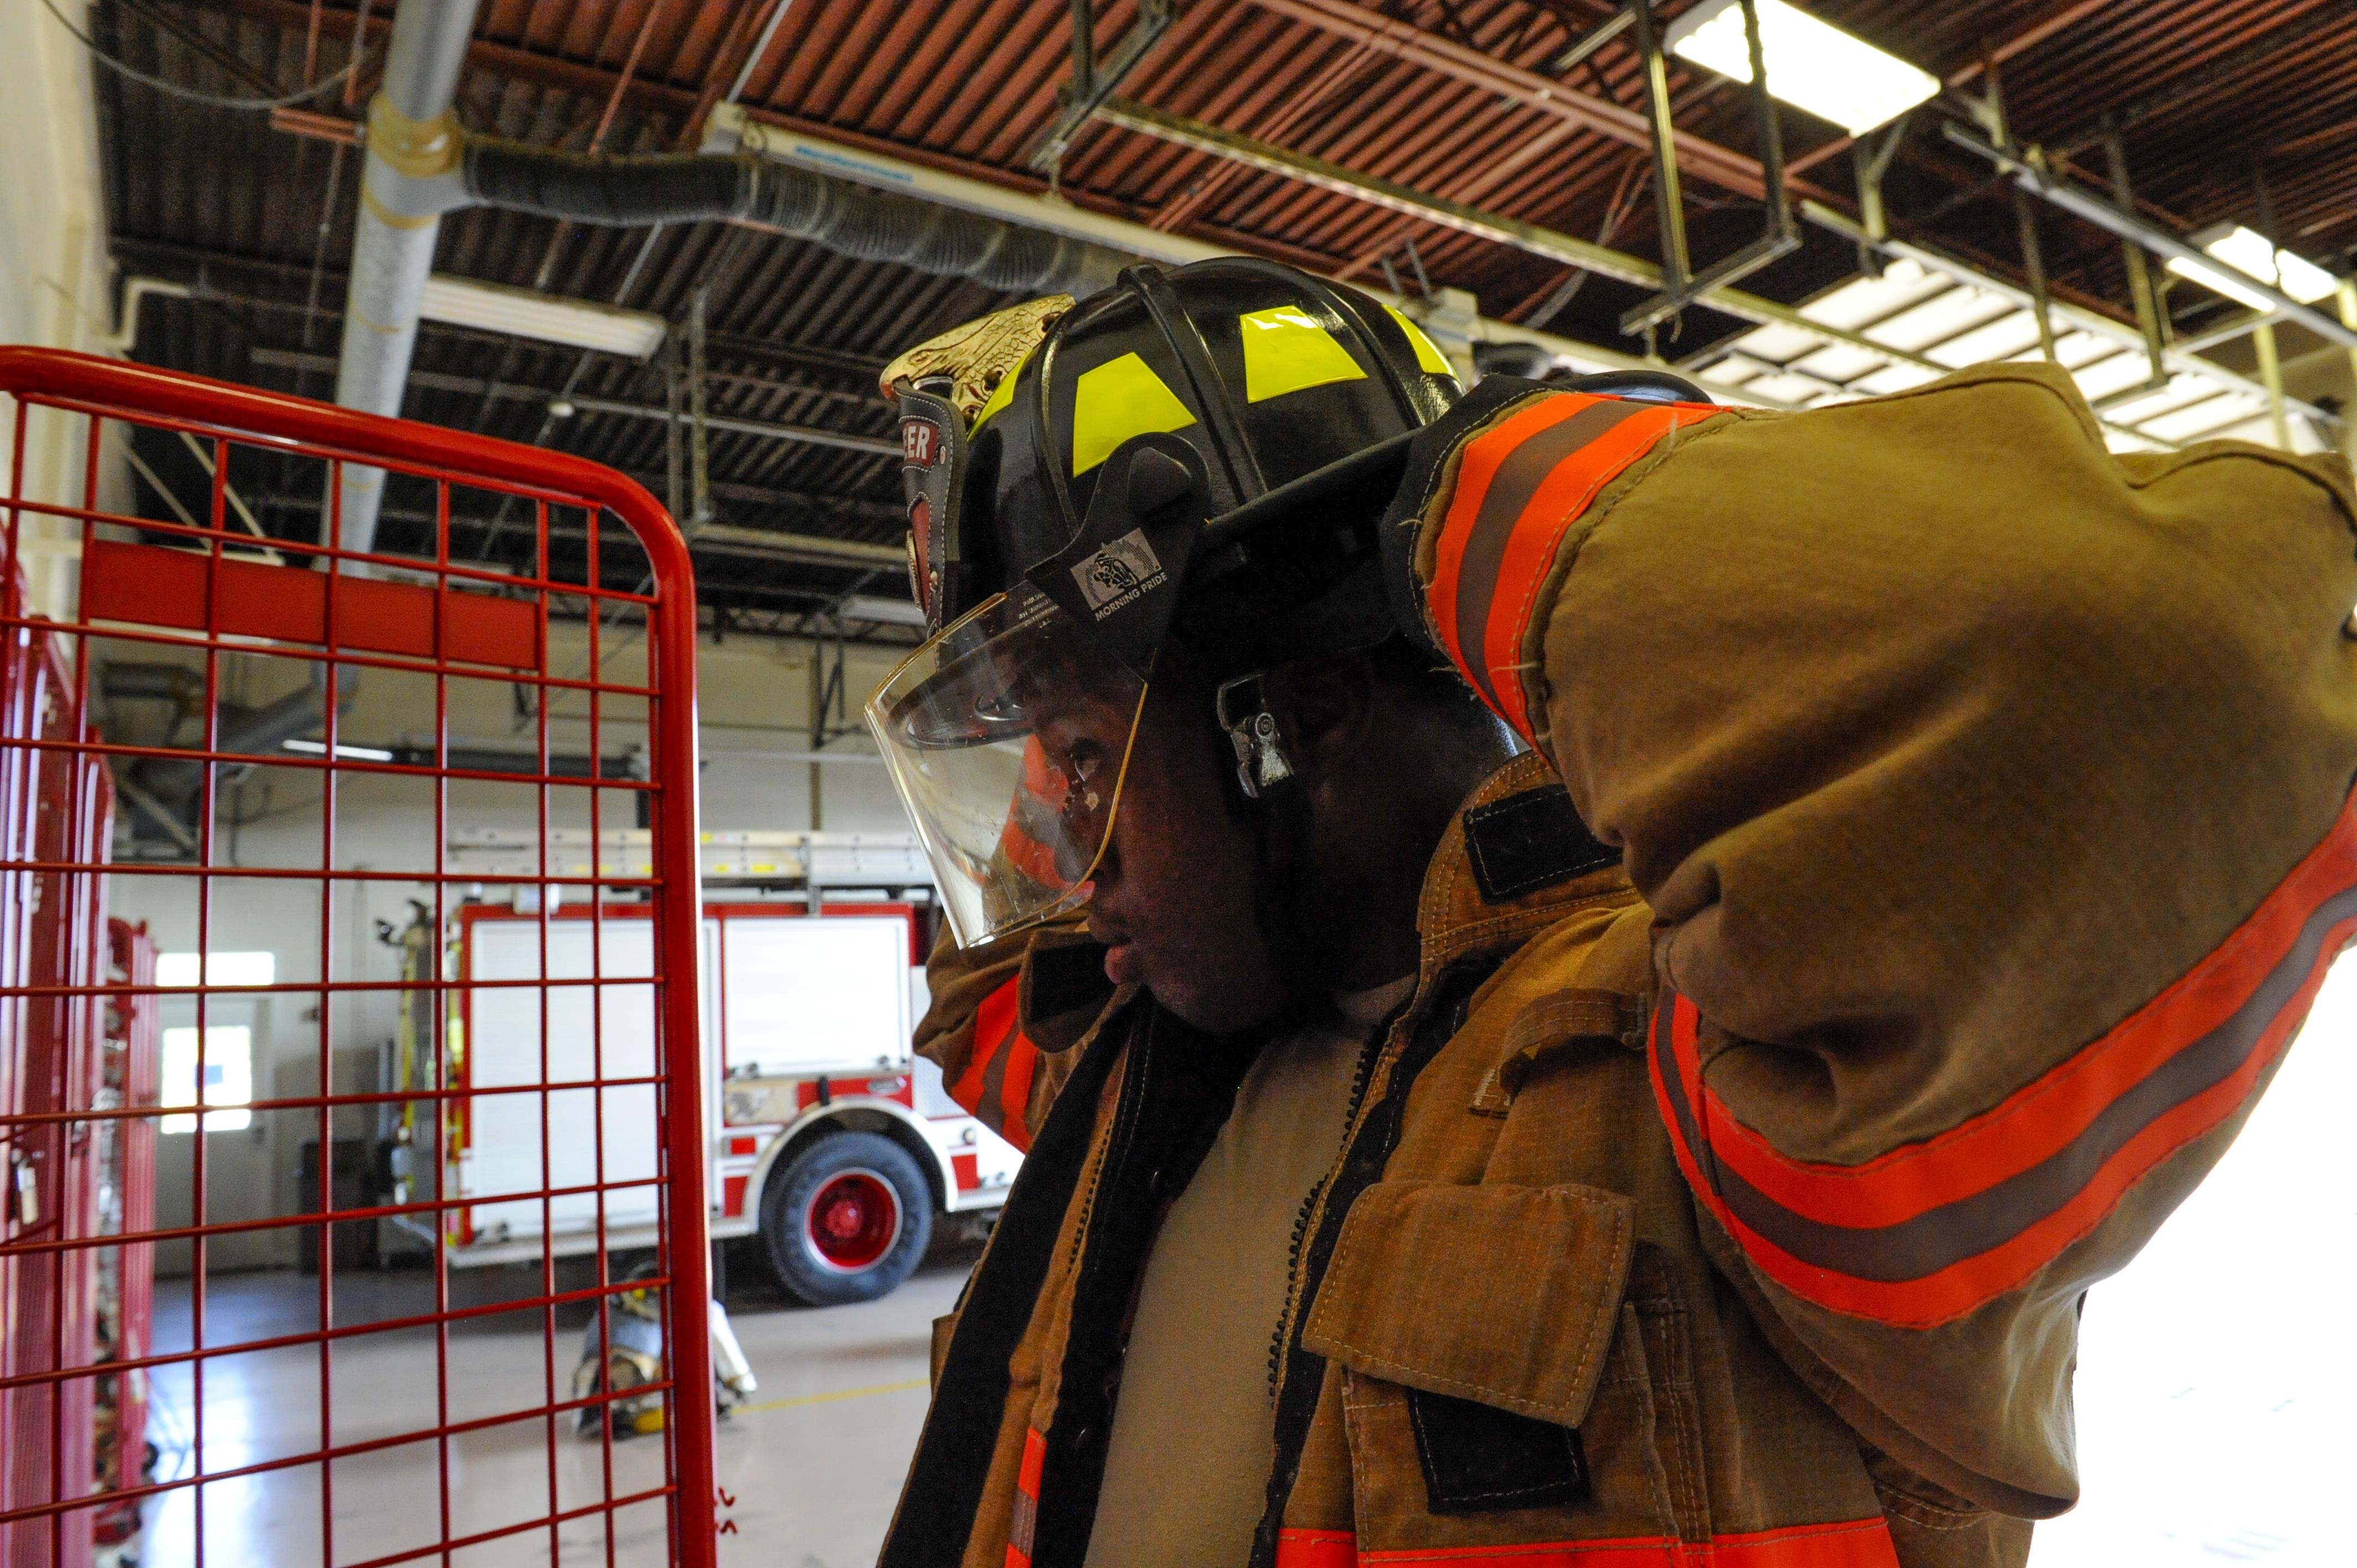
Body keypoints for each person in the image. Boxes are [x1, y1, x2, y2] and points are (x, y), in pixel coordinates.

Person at [860, 258, 2357, 1568]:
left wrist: (1442, 494)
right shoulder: (1116, 1060)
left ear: (1296, 720)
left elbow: (2167, 656)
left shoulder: (1732, 1081)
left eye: (1083, 763)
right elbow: (984, 974)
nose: (1055, 865)